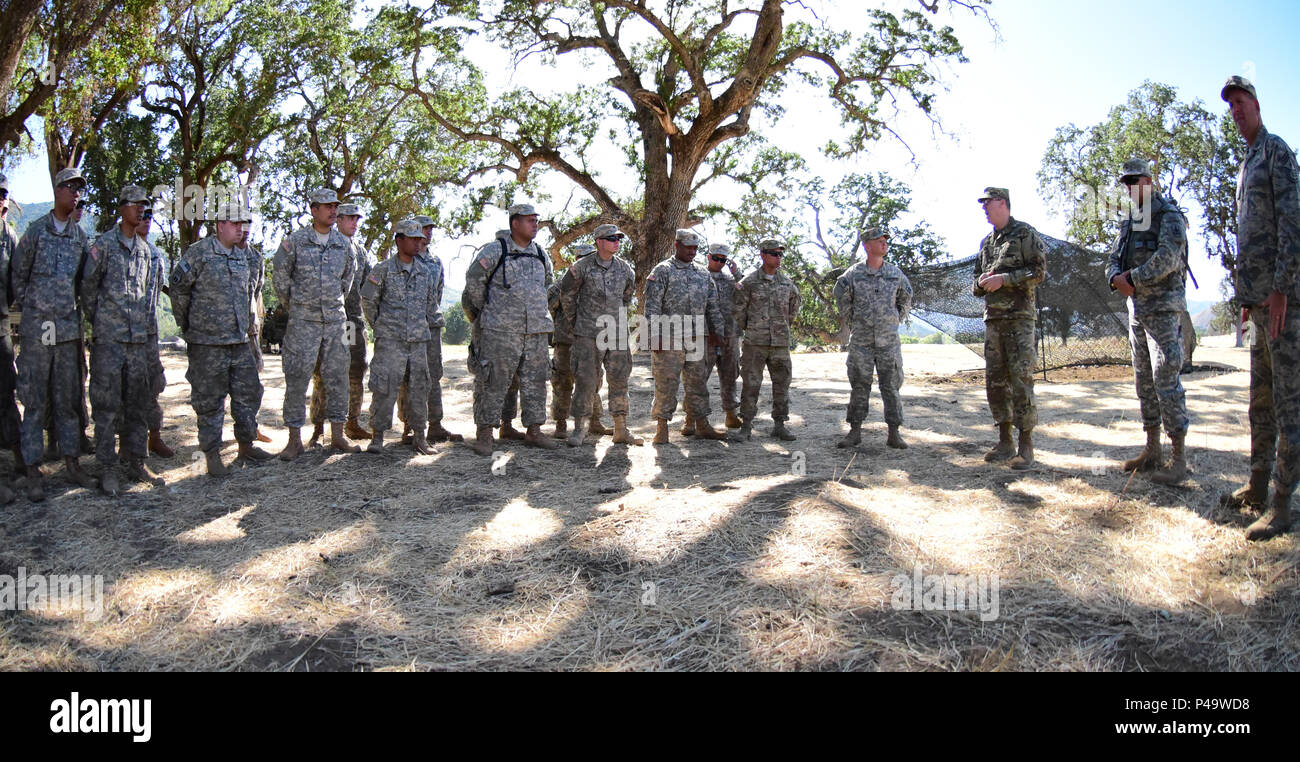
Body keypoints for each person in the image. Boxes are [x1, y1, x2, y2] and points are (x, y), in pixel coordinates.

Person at [1221, 75, 1300, 541]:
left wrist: (1282, 290)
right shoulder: (1247, 161)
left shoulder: (1277, 152)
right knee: (1260, 404)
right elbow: (1249, 237)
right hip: (1258, 305)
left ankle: (1283, 505)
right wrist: (1249, 302)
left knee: (1289, 408)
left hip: (1283, 307)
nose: (1236, 111)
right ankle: (1256, 486)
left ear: (1256, 103)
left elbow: (1293, 222)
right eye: (1230, 106)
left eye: (1241, 101)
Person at [11, 167, 98, 500]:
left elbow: (83, 283)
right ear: (57, 190)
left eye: (79, 189)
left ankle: (72, 464)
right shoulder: (35, 233)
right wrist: (37, 309)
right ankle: (34, 471)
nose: (75, 194)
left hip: (66, 333)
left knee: (68, 402)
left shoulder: (79, 237)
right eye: (70, 187)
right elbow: (18, 277)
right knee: (33, 403)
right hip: (38, 332)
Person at [169, 202, 275, 475]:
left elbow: (251, 295)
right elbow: (179, 291)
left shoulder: (245, 257)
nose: (242, 229)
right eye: (236, 224)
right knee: (209, 400)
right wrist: (190, 326)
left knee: (248, 394)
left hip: (239, 341)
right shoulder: (199, 254)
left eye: (244, 224)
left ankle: (246, 445)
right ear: (220, 225)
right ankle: (212, 453)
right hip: (207, 344)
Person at [1106, 159, 1191, 484]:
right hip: (1137, 313)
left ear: (1149, 180)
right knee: (1144, 381)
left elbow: (1168, 258)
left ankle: (1178, 459)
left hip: (1163, 310)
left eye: (1135, 180)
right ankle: (1152, 450)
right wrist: (1115, 277)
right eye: (1125, 182)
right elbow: (1113, 257)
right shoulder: (1129, 222)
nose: (1130, 187)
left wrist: (1134, 278)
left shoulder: (1168, 216)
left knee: (1165, 379)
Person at [82, 185, 168, 495]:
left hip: (137, 344)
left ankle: (135, 461)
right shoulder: (103, 246)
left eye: (145, 205)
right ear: (122, 208)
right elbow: (88, 291)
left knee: (137, 404)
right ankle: (107, 468)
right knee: (106, 406)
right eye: (135, 204)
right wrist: (104, 325)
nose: (141, 210)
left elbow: (148, 299)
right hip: (109, 342)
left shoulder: (146, 251)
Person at [462, 203, 559, 455]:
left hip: (536, 331)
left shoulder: (540, 254)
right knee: (493, 380)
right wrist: (489, 314)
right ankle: (485, 433)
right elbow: (473, 284)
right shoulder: (496, 251)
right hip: (499, 331)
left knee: (536, 380)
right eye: (529, 220)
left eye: (536, 220)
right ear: (515, 223)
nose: (535, 224)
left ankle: (534, 431)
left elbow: (547, 286)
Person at [273, 188, 358, 459]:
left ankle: (338, 436)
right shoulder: (295, 242)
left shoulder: (344, 245)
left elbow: (347, 282)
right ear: (313, 209)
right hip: (302, 323)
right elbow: (280, 280)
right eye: (326, 206)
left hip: (336, 322)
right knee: (297, 378)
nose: (333, 211)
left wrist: (331, 307)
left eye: (335, 206)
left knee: (338, 377)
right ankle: (294, 440)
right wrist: (297, 307)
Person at [973, 187, 1047, 470]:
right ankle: (1005, 440)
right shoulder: (986, 243)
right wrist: (982, 282)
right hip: (993, 321)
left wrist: (1005, 279)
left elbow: (1038, 273)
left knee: (1020, 379)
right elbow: (975, 282)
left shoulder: (1026, 234)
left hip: (1019, 319)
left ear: (1002, 203)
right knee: (995, 381)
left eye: (987, 203)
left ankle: (1026, 445)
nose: (984, 208)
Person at [361, 219, 438, 454]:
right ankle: (378, 437)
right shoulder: (382, 270)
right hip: (390, 341)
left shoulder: (425, 272)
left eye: (420, 239)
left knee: (419, 389)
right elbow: (368, 302)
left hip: (418, 342)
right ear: (399, 240)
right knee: (384, 388)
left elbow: (429, 305)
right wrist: (382, 327)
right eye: (413, 239)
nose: (418, 243)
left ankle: (419, 437)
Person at [644, 228, 727, 444]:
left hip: (697, 337)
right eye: (688, 247)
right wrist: (654, 336)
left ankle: (701, 424)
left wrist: (718, 332)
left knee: (698, 383)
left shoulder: (702, 273)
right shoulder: (662, 271)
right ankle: (662, 427)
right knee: (666, 383)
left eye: (695, 248)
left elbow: (712, 306)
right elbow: (652, 306)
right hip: (669, 337)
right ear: (676, 245)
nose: (692, 251)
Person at [560, 224, 640, 446]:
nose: (616, 241)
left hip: (616, 333)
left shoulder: (625, 269)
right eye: (611, 238)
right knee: (586, 380)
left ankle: (621, 429)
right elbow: (567, 296)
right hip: (587, 333)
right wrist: (576, 322)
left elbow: (627, 296)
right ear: (599, 241)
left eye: (618, 238)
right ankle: (579, 429)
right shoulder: (581, 267)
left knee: (620, 380)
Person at [309, 202, 373, 445]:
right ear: (338, 219)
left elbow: (367, 288)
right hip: (328, 321)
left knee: (356, 370)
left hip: (353, 323)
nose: (354, 223)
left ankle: (352, 422)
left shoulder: (361, 251)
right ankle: (318, 428)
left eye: (357, 219)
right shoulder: (327, 245)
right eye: (349, 218)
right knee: (323, 373)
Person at [396, 214, 462, 444]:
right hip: (408, 326)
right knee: (409, 376)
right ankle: (409, 426)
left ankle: (435, 424)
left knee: (434, 375)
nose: (428, 232)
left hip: (431, 326)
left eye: (431, 228)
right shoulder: (404, 260)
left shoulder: (435, 262)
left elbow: (438, 292)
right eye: (424, 228)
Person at [735, 238, 802, 442]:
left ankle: (779, 425)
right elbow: (738, 312)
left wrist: (780, 328)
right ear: (763, 255)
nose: (778, 257)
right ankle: (746, 426)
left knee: (782, 384)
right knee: (751, 384)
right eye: (774, 254)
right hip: (755, 342)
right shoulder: (749, 282)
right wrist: (754, 328)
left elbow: (793, 311)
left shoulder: (788, 284)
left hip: (780, 344)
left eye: (781, 254)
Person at [136, 206, 178, 456]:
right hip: (120, 332)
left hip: (149, 332)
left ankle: (154, 436)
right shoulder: (113, 248)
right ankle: (127, 444)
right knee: (123, 387)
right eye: (143, 216)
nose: (148, 221)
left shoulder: (154, 255)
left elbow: (159, 291)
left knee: (153, 384)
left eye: (151, 216)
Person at [702, 242, 743, 431]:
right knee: (698, 378)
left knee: (730, 375)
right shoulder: (699, 276)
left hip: (729, 335)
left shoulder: (730, 280)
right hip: (705, 336)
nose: (719, 262)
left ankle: (731, 415)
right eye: (716, 258)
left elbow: (746, 293)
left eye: (723, 260)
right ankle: (693, 418)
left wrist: (737, 273)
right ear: (708, 257)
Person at [0, 174, 21, 502]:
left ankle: (21, 460)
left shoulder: (9, 237)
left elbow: (16, 284)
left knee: (6, 390)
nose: (1, 197)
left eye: (4, 192)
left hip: (1, 325)